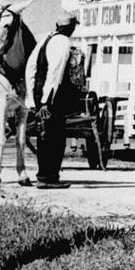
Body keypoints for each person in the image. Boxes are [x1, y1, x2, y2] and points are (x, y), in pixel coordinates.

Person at [27, 11, 87, 188]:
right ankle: (49, 177)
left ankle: (44, 176)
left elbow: (31, 69)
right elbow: (56, 72)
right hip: (52, 97)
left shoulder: (45, 40)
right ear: (71, 27)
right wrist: (47, 101)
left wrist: (33, 99)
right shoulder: (63, 42)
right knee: (55, 137)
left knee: (43, 135)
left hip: (40, 94)